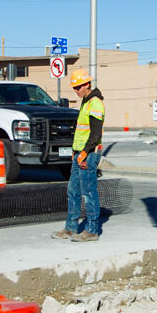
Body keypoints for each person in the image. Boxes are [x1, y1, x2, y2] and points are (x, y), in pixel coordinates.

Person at [53, 70, 105, 241]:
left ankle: (92, 230)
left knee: (89, 192)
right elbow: (82, 131)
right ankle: (70, 228)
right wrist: (75, 151)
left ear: (88, 84)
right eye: (74, 87)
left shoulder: (95, 103)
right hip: (80, 153)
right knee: (73, 190)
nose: (76, 90)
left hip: (88, 154)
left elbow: (95, 135)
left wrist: (83, 153)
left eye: (79, 86)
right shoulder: (86, 101)